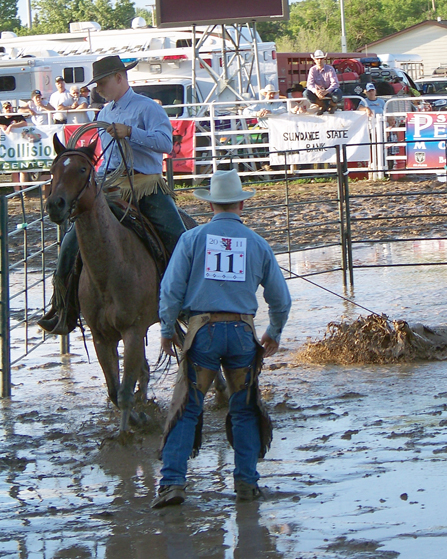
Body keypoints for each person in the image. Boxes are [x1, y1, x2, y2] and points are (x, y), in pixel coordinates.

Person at [152, 168, 291, 509]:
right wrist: (273, 332)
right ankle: (246, 482)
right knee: (244, 409)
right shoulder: (258, 244)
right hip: (243, 333)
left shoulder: (192, 239)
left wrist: (167, 329)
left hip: (202, 333)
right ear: (242, 204)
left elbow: (170, 290)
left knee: (186, 408)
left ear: (210, 205)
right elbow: (281, 299)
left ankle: (172, 483)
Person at [38, 55, 186, 335]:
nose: (99, 89)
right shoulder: (103, 114)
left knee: (177, 236)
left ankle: (186, 303)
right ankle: (64, 308)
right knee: (72, 241)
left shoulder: (147, 108)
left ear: (120, 77)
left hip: (145, 183)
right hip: (110, 185)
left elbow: (166, 143)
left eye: (103, 82)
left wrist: (130, 132)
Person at [304, 49, 343, 115]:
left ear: (324, 59)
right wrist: (316, 91)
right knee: (306, 93)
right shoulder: (312, 70)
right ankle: (322, 105)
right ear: (315, 60)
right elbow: (309, 84)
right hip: (318, 92)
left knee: (338, 92)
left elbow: (335, 83)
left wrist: (327, 91)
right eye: (317, 59)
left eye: (321, 58)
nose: (319, 60)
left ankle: (331, 105)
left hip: (329, 91)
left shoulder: (330, 68)